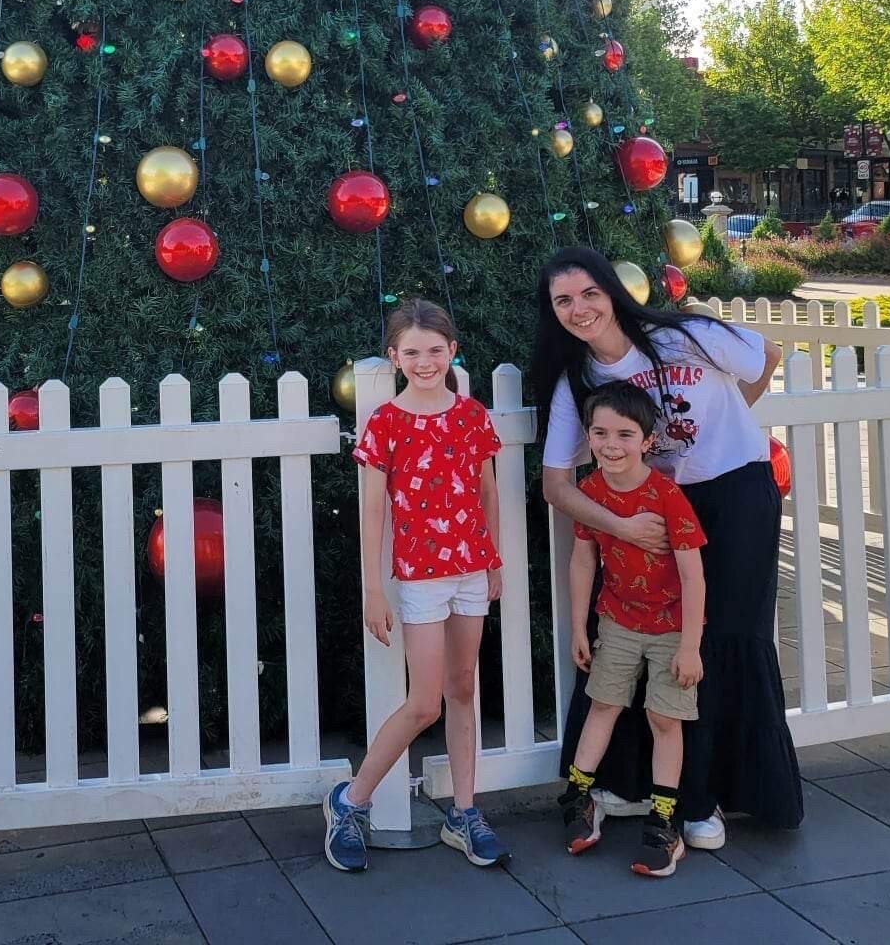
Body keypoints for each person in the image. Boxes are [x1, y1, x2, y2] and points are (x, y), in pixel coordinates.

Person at [533, 246, 802, 847]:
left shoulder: (689, 333)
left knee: (728, 634)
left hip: (735, 491)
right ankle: (646, 788)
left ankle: (711, 799)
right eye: (563, 301)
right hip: (652, 512)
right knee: (653, 641)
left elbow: (769, 356)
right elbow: (556, 484)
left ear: (612, 290)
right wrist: (622, 526)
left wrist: (726, 423)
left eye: (588, 294)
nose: (579, 310)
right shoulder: (579, 381)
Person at [322, 299, 508, 873]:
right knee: (424, 700)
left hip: (471, 572)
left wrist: (493, 561)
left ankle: (465, 811)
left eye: (435, 350)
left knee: (462, 689)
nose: (425, 361)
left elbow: (488, 492)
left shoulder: (472, 415)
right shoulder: (386, 424)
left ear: (452, 351)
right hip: (421, 579)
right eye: (412, 352)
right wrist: (373, 590)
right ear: (394, 357)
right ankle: (349, 802)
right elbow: (372, 512)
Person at [559, 382, 706, 877]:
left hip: (669, 626)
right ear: (588, 436)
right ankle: (580, 798)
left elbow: (693, 574)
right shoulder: (590, 492)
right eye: (600, 432)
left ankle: (665, 824)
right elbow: (583, 559)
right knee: (603, 704)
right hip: (617, 619)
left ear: (647, 440)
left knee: (665, 720)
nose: (611, 444)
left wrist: (690, 646)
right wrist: (579, 626)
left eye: (625, 434)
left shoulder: (668, 497)